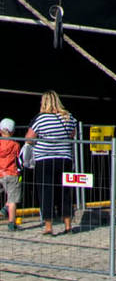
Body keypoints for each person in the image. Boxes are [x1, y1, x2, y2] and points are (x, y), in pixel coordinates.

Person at [24, 91, 78, 236]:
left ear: (44, 102)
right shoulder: (68, 117)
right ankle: (68, 225)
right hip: (64, 159)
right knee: (65, 192)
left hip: (45, 160)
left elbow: (29, 138)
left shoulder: (41, 118)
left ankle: (49, 227)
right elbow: (73, 134)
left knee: (46, 192)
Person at [0, 117, 21, 231]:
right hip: (11, 173)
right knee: (12, 199)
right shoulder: (15, 144)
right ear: (13, 132)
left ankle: (4, 208)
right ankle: (11, 223)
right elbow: (19, 159)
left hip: (0, 173)